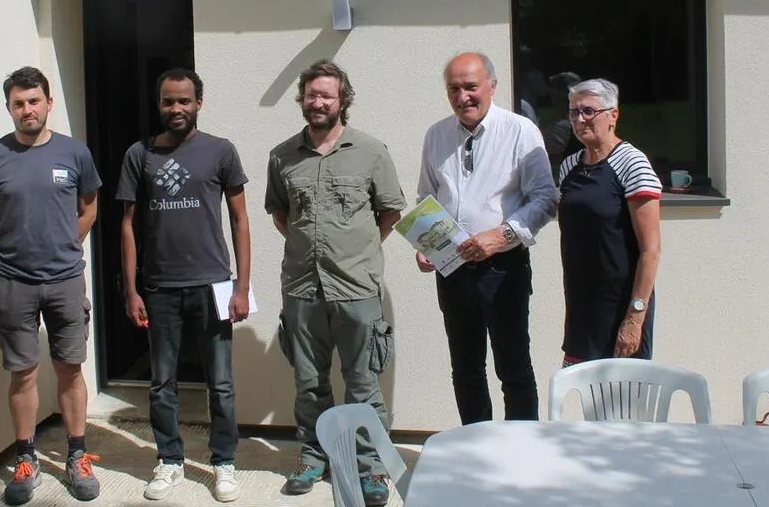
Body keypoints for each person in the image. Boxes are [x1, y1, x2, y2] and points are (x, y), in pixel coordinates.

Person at [265, 59, 405, 506]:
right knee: (309, 383)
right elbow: (281, 215)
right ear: (301, 100)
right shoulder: (282, 156)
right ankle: (312, 457)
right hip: (302, 289)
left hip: (357, 289)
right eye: (311, 95)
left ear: (343, 100)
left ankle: (371, 467)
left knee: (363, 385)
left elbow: (388, 213)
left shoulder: (371, 152)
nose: (318, 102)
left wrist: (353, 253)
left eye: (326, 94)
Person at [0, 66, 102, 505]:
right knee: (22, 374)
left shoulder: (75, 154)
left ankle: (77, 456)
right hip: (13, 284)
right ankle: (26, 459)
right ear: (9, 108)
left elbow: (89, 208)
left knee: (69, 369)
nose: (27, 109)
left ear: (48, 102)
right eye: (18, 103)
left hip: (64, 281)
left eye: (34, 100)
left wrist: (63, 244)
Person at [116, 68, 251, 503]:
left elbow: (240, 220)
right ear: (159, 104)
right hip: (160, 287)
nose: (176, 109)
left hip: (212, 283)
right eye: (168, 101)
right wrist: (131, 289)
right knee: (162, 382)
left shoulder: (220, 151)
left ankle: (223, 462)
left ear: (199, 103)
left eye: (184, 101)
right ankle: (170, 460)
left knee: (222, 382)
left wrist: (242, 286)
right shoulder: (140, 155)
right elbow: (128, 225)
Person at [415, 52, 558, 425]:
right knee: (465, 370)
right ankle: (476, 451)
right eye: (454, 89)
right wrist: (426, 243)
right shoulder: (436, 135)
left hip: (503, 268)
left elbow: (545, 198)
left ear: (492, 86)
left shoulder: (520, 131)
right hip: (453, 270)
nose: (463, 96)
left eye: (471, 87)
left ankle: (520, 456)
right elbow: (427, 200)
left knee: (513, 369)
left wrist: (503, 234)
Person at [557, 78, 661, 366]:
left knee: (624, 404)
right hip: (581, 309)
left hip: (621, 311)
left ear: (613, 115)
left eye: (588, 111)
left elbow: (650, 250)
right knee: (588, 402)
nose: (580, 120)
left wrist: (635, 316)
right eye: (573, 112)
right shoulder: (569, 167)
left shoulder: (632, 163)